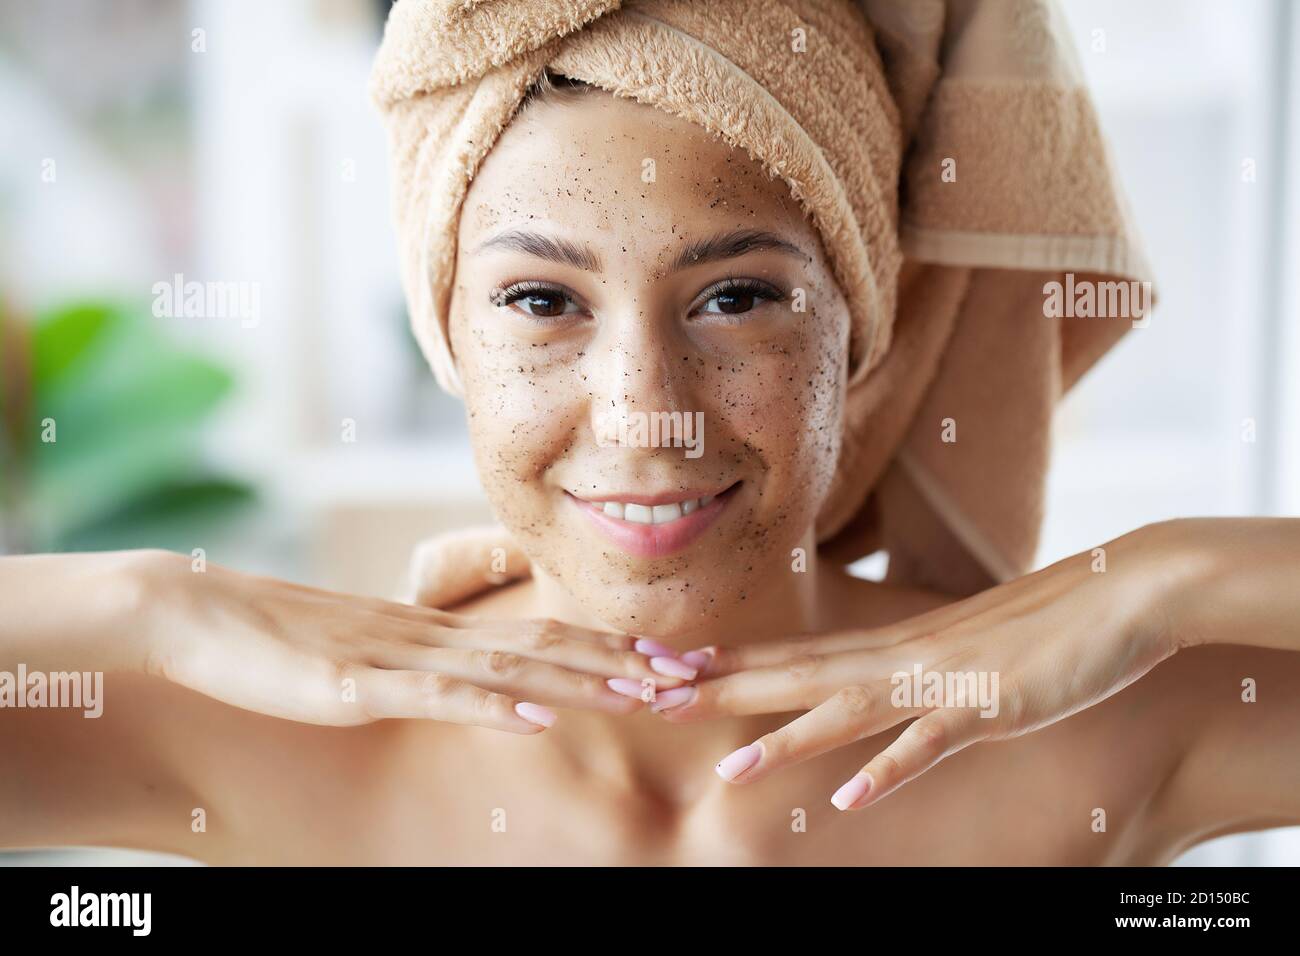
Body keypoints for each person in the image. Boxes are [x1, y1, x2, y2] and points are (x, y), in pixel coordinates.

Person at [2, 0, 1298, 865]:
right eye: (540, 301)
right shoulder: (254, 727)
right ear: (446, 332)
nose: (644, 408)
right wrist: (142, 606)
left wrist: (1164, 576)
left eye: (736, 297)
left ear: (865, 328)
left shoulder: (1087, 725)